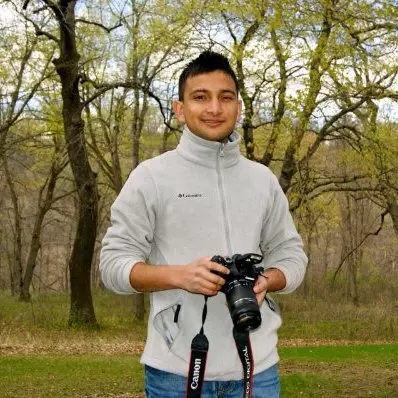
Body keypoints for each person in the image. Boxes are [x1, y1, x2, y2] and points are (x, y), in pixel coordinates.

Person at [100, 51, 307, 398]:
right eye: (200, 97)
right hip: (175, 374)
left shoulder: (262, 180)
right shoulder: (151, 177)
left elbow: (293, 256)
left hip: (258, 370)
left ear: (238, 107)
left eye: (225, 98)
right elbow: (111, 266)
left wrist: (266, 280)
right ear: (179, 109)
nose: (214, 108)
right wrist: (179, 275)